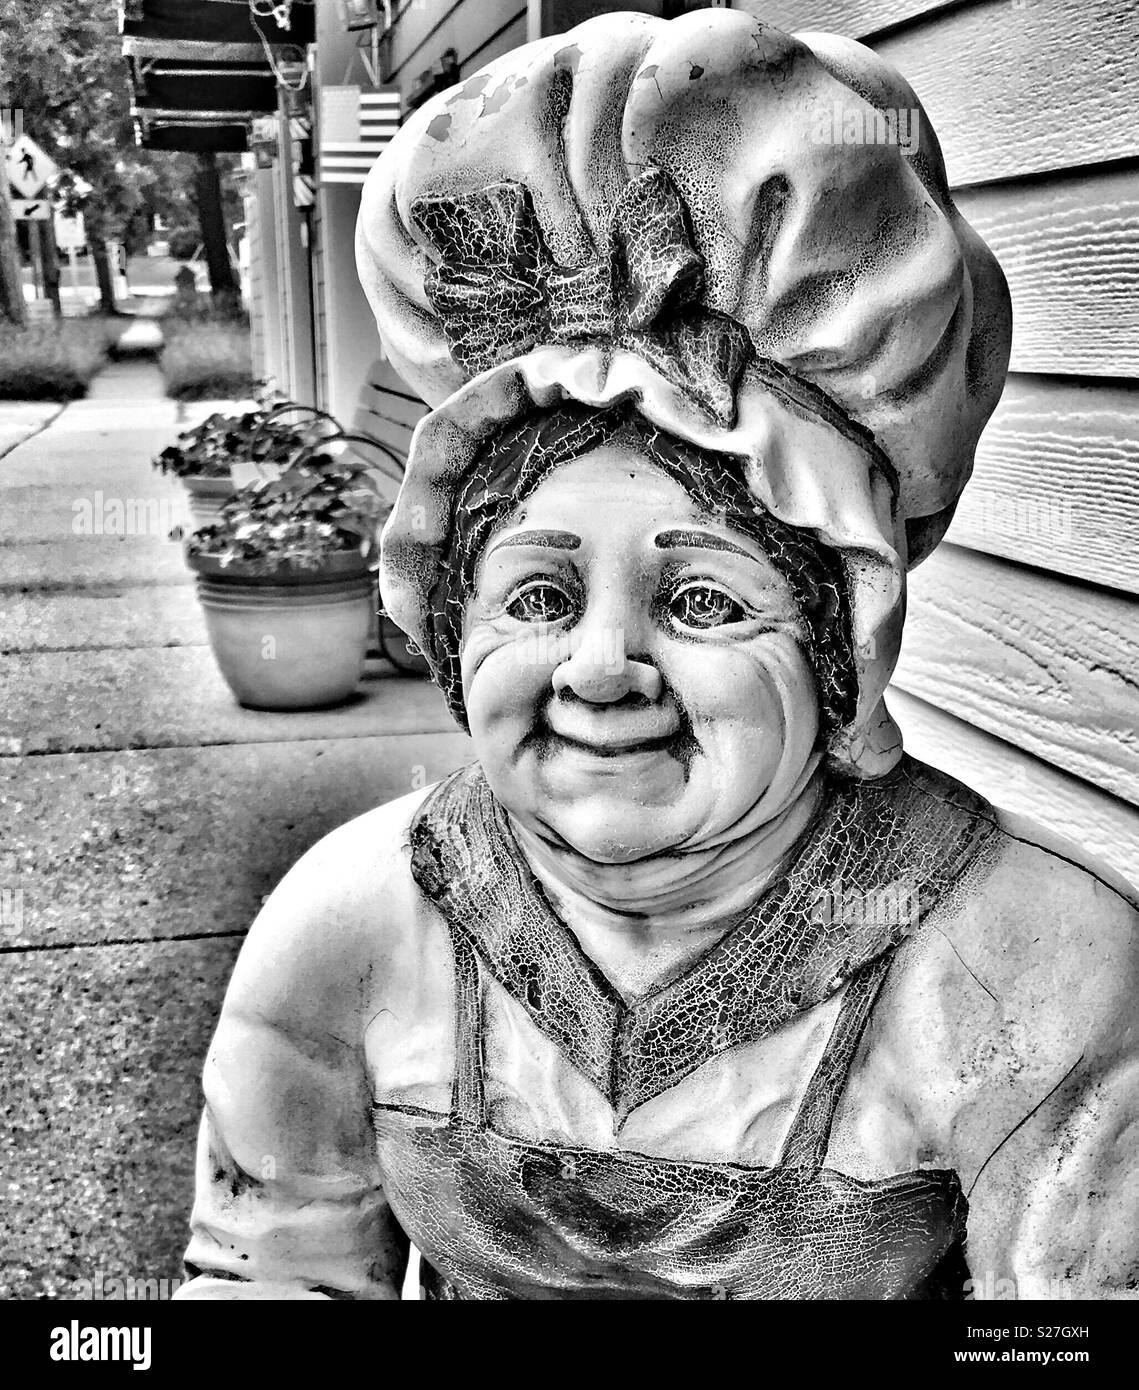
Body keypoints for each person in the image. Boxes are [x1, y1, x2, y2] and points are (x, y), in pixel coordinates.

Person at [175, 9, 1138, 1300]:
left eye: (697, 598)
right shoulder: (350, 936)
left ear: (837, 636)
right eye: (538, 593)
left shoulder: (1022, 968)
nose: (602, 665)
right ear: (451, 617)